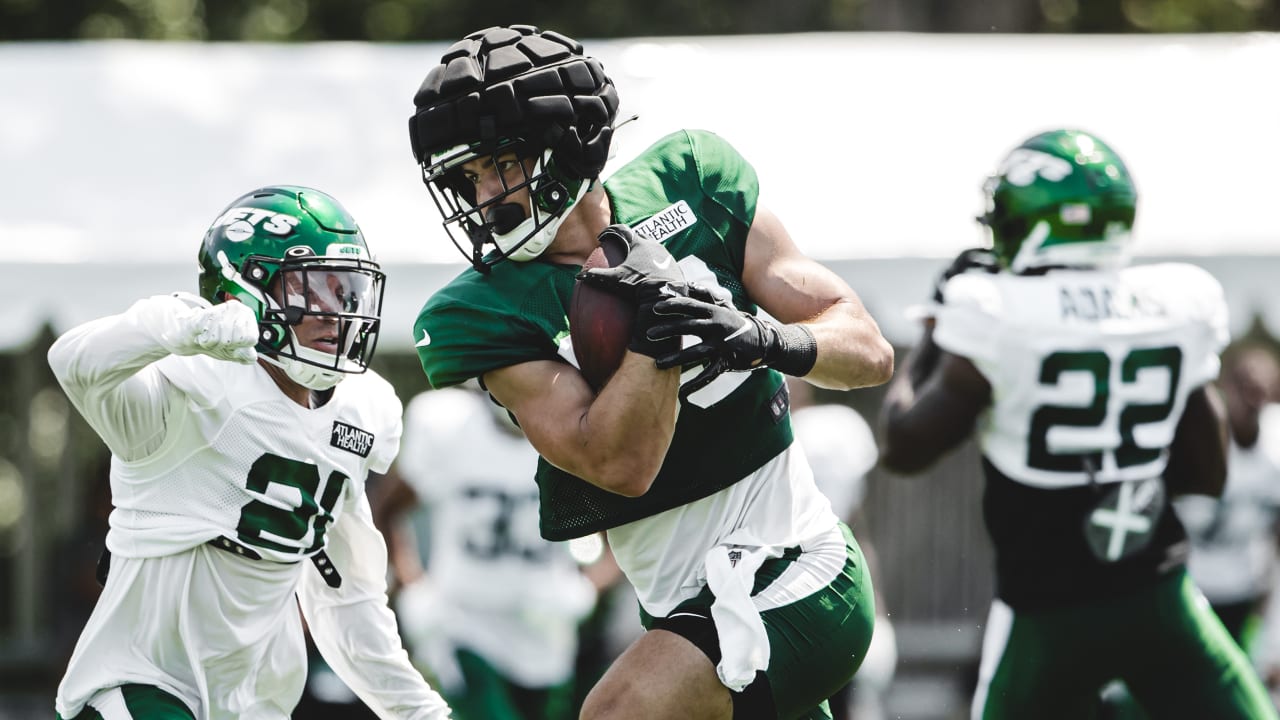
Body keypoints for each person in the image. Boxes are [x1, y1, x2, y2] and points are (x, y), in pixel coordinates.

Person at [406, 24, 894, 720]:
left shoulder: (691, 178)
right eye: (466, 175)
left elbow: (868, 350)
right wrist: (654, 329)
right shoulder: (478, 311)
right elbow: (619, 464)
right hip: (681, 603)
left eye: (498, 163)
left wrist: (761, 338)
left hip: (795, 563)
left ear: (565, 145)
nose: (483, 193)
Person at [878, 129, 1277, 719]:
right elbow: (1207, 474)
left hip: (1045, 611)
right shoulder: (1175, 301)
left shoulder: (995, 308)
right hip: (1157, 596)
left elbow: (904, 446)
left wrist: (937, 330)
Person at [49, 185, 451, 720]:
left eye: (346, 290)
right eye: (315, 291)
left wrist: (415, 710)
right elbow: (73, 361)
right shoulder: (188, 389)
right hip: (142, 681)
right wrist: (177, 323)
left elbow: (346, 598)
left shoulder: (361, 410)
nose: (339, 311)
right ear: (247, 292)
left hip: (254, 698)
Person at [369, 384, 607, 720]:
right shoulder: (449, 426)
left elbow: (618, 537)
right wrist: (412, 582)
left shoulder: (576, 433)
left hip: (543, 633)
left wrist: (586, 587)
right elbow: (387, 508)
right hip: (465, 624)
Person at [784, 379, 897, 720]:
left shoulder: (831, 429)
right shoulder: (747, 438)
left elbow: (853, 529)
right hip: (784, 604)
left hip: (834, 596)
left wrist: (876, 606)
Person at [1176, 345, 1280, 654]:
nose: (1253, 398)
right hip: (1191, 588)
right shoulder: (1199, 436)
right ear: (1225, 386)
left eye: (1261, 388)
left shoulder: (1274, 444)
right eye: (1245, 386)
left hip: (1246, 589)